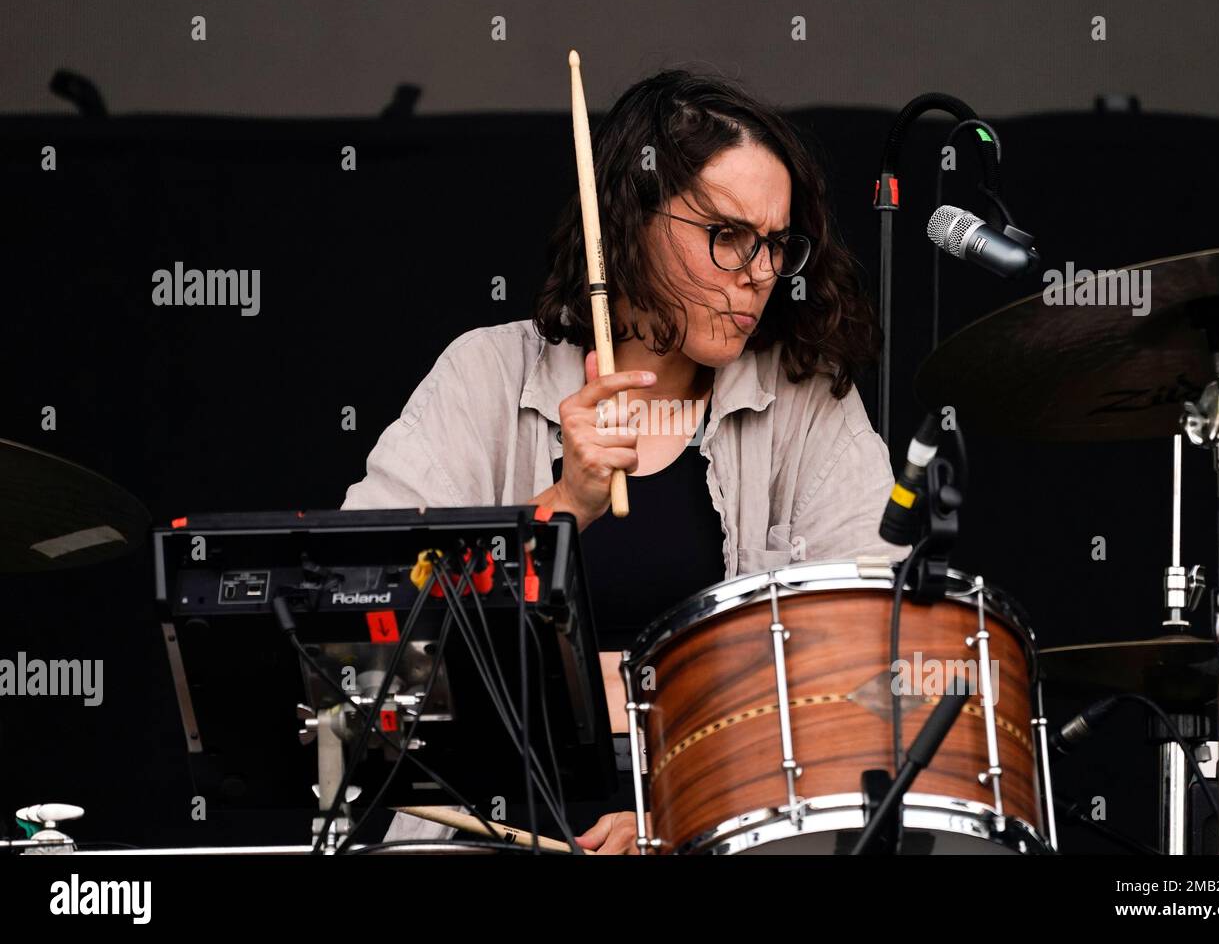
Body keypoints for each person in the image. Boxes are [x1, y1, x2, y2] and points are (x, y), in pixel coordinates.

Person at [341, 67, 906, 854]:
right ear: (630, 220)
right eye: (728, 236)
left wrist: (683, 809)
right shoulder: (484, 376)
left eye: (776, 245)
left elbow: (874, 656)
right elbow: (362, 632)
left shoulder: (805, 402)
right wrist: (561, 507)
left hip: (715, 829)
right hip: (484, 830)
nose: (759, 275)